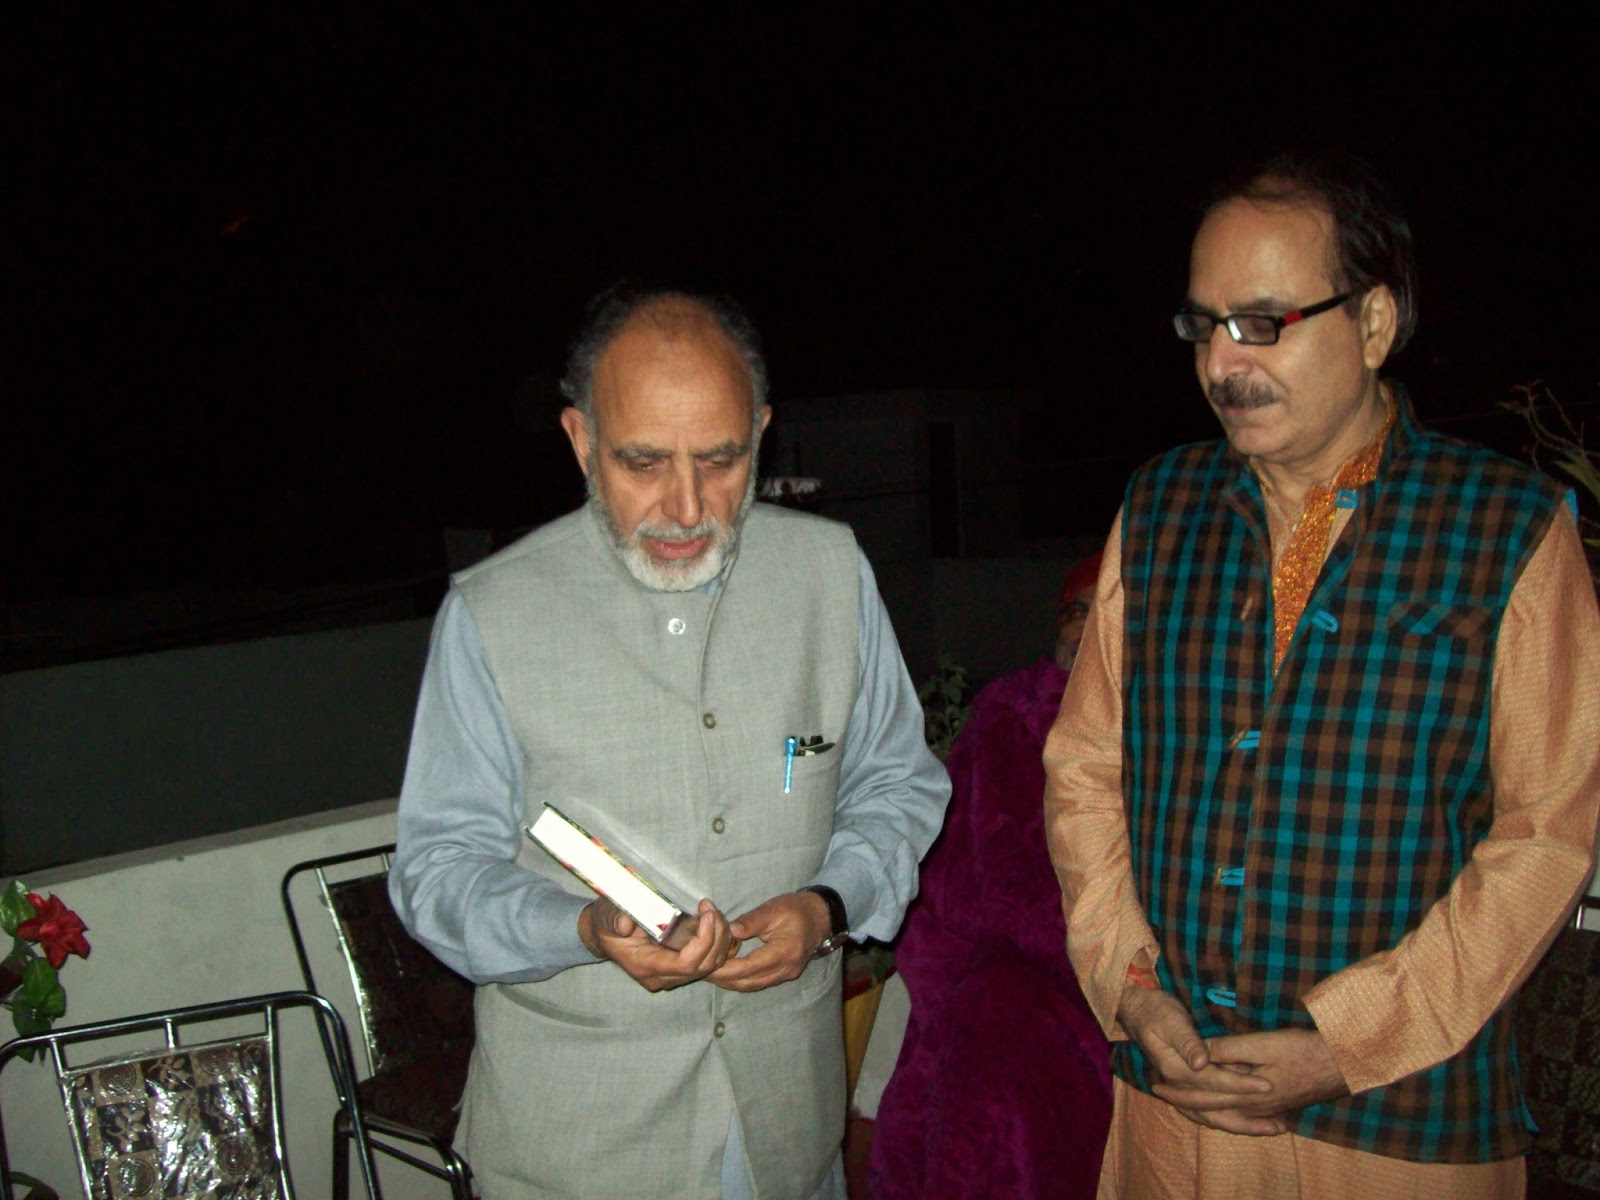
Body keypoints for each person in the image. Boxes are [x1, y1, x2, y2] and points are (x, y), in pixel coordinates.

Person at [1043, 152, 1600, 1199]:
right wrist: (1130, 991)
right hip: (1175, 1107)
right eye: (1202, 325)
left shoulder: (1505, 528)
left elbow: (1547, 831)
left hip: (1402, 1125)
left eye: (1261, 323)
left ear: (1375, 323)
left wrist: (1349, 1041)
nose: (1222, 362)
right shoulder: (1159, 507)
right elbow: (1083, 773)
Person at [389, 283, 950, 1200]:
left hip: (787, 1132)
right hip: (580, 1151)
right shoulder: (491, 614)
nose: (686, 506)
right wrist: (579, 929)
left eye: (722, 459)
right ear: (579, 440)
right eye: (644, 461)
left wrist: (830, 905)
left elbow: (897, 784)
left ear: (761, 431)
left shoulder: (831, 574)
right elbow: (438, 869)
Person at [870, 553, 1112, 1200]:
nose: (1085, 630)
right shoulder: (1012, 707)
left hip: (1113, 979)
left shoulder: (1162, 727)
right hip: (1000, 973)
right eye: (1073, 613)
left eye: (1104, 614)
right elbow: (963, 864)